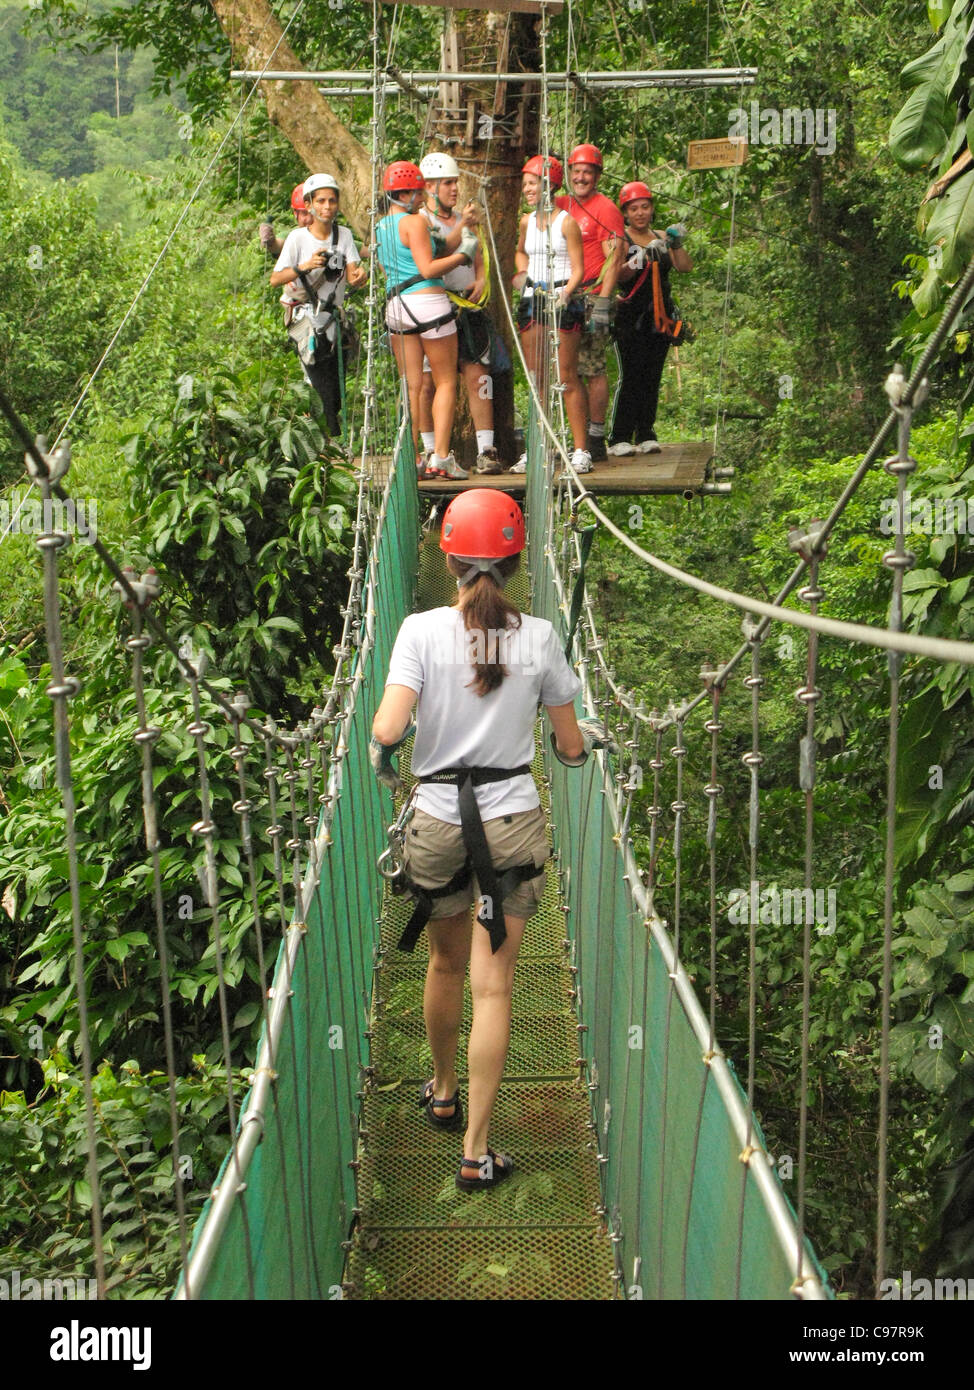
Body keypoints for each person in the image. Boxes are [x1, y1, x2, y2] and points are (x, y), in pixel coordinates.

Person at [369, 490, 614, 1191]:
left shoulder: (418, 631)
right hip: (511, 828)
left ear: (447, 559)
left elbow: (388, 730)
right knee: (494, 985)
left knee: (443, 965)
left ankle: (441, 1089)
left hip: (439, 824)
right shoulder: (537, 638)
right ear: (513, 560)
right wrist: (577, 737)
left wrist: (387, 750)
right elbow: (568, 750)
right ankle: (476, 1151)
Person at [374, 160, 478, 481]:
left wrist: (458, 237)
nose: (421, 197)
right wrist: (465, 255)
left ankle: (415, 457)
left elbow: (430, 251)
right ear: (404, 193)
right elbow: (429, 268)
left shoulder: (381, 227)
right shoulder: (414, 222)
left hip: (397, 308)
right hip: (429, 303)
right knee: (446, 381)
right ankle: (442, 458)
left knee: (413, 384)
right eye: (417, 192)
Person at [416, 153, 501, 476]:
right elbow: (439, 253)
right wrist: (464, 225)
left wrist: (480, 279)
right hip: (437, 308)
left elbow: (476, 252)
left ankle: (486, 448)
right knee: (428, 383)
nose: (454, 189)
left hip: (469, 307)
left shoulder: (463, 220)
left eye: (455, 182)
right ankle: (429, 449)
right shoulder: (423, 220)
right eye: (448, 183)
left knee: (479, 377)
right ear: (430, 187)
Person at [510, 155, 590, 475]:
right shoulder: (526, 221)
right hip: (533, 297)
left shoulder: (566, 222)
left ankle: (581, 449)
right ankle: (537, 447)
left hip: (561, 297)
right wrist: (521, 273)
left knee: (566, 376)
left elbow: (579, 268)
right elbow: (520, 250)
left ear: (549, 185)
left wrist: (565, 293)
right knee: (537, 377)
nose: (527, 190)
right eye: (526, 184)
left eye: (532, 184)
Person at [269, 173, 367, 434]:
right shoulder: (297, 239)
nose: (327, 207)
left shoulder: (343, 235)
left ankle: (327, 443)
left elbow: (353, 271)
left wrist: (359, 276)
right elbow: (276, 279)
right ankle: (326, 445)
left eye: (332, 201)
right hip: (306, 319)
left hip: (334, 319)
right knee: (319, 385)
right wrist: (304, 266)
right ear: (310, 204)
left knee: (335, 389)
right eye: (321, 201)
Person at [609, 182, 692, 456]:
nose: (640, 213)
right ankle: (620, 435)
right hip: (630, 316)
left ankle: (646, 431)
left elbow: (684, 267)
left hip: (660, 316)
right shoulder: (621, 238)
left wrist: (675, 244)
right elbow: (617, 274)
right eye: (634, 209)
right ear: (626, 213)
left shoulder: (661, 236)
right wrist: (641, 257)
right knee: (631, 375)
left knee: (652, 376)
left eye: (645, 207)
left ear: (652, 208)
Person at [556, 144, 625, 463]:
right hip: (567, 294)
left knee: (594, 367)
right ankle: (578, 436)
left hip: (594, 293)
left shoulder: (605, 208)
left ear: (597, 176)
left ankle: (596, 437)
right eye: (577, 171)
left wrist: (603, 301)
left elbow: (616, 256)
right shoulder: (561, 204)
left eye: (587, 172)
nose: (581, 177)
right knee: (568, 370)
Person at [259, 182, 313, 257]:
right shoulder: (292, 236)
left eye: (314, 213)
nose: (309, 219)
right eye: (304, 213)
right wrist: (269, 241)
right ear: (295, 213)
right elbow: (277, 246)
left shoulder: (332, 233)